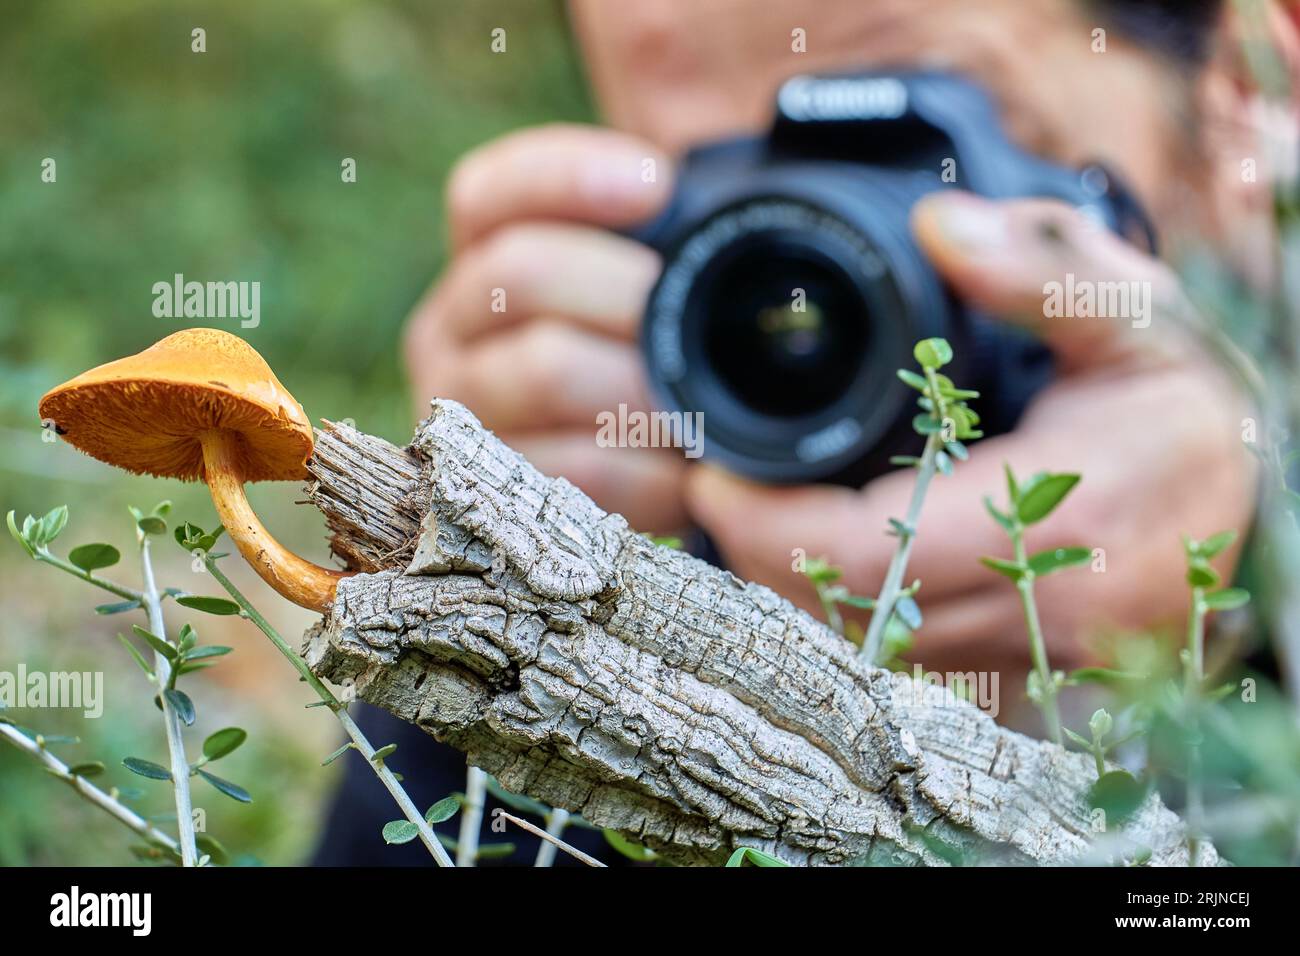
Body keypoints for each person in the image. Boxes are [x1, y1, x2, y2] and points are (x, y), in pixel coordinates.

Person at [317, 0, 1299, 863]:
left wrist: (1262, 529)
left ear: (1253, 84)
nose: (807, 254)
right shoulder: (629, 531)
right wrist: (496, 590)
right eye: (727, 176)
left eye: (925, 156)